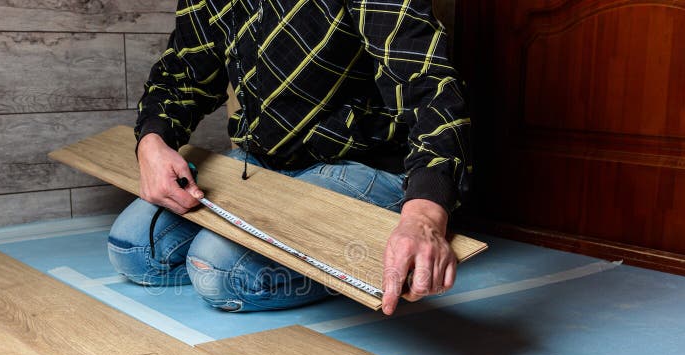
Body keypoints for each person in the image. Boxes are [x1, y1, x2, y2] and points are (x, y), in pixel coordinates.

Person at [108, 0, 470, 315]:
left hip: (363, 161)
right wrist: (152, 143)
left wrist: (425, 216)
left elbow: (428, 83)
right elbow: (182, 73)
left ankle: (373, 255)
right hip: (264, 162)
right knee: (133, 249)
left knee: (217, 271)